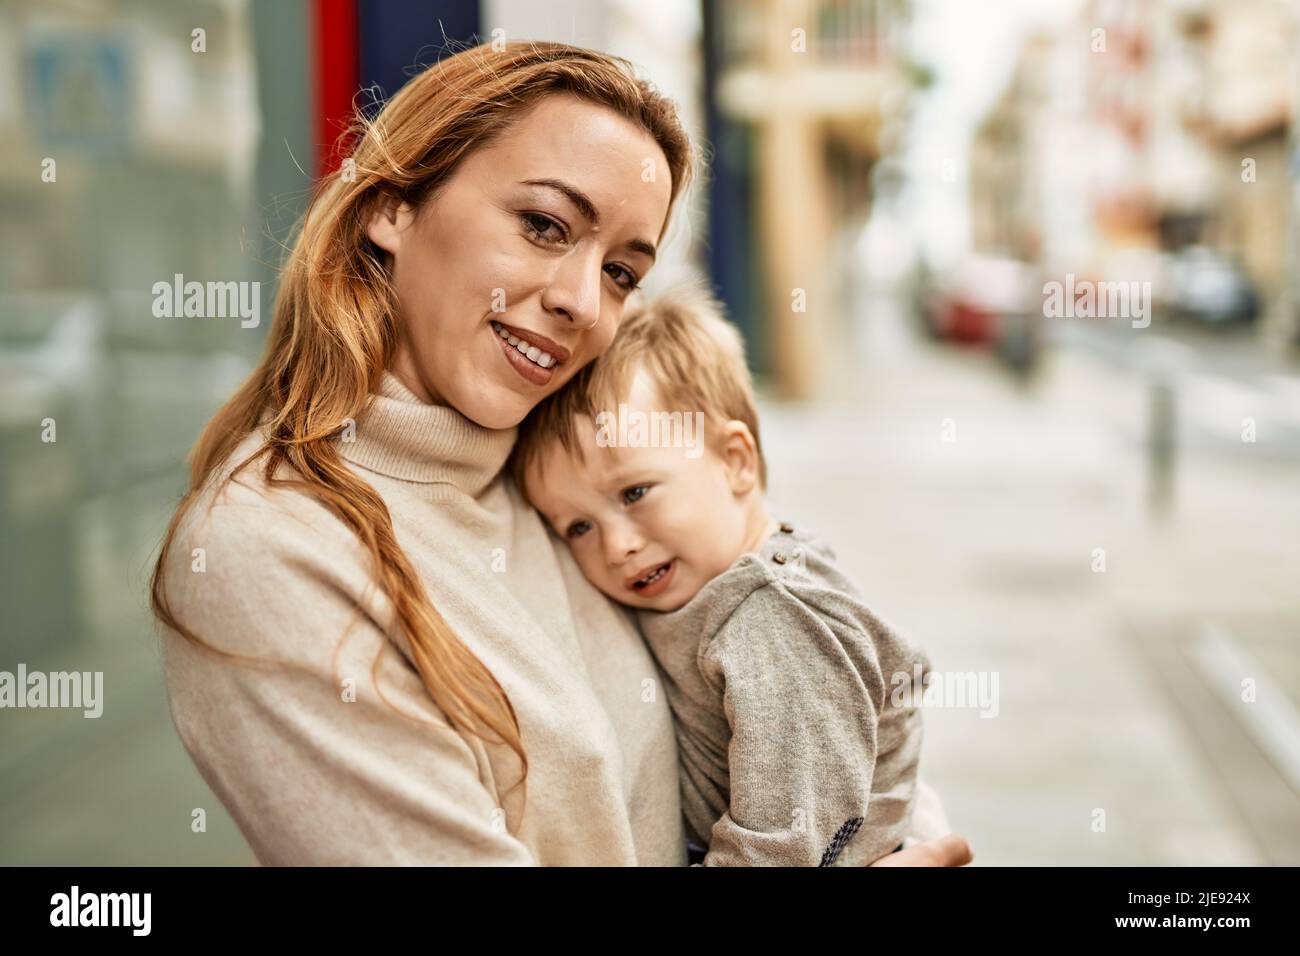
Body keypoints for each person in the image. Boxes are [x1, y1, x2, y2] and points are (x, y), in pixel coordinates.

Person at [152, 39, 972, 867]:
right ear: (392, 207)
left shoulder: (551, 461)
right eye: (543, 225)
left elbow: (815, 706)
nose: (583, 302)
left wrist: (907, 828)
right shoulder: (270, 551)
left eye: (621, 272)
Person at [511, 286, 936, 866]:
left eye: (635, 492)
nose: (617, 545)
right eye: (578, 527)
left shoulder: (774, 622)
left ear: (736, 461)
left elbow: (784, 843)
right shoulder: (707, 585)